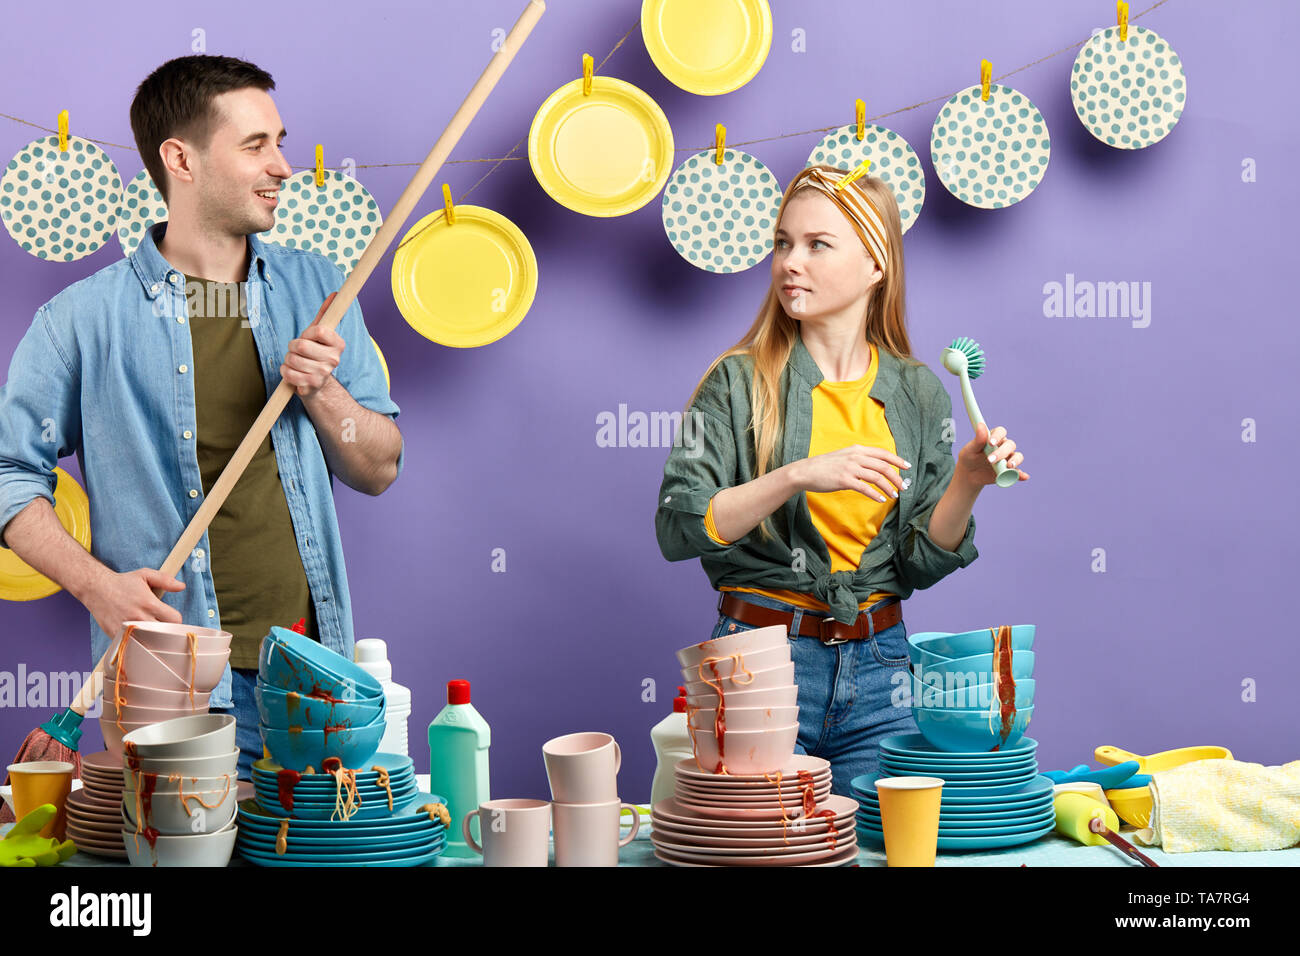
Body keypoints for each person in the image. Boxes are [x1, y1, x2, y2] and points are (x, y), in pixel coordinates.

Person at [0, 55, 403, 780]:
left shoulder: (320, 289)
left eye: (280, 141)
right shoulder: (80, 322)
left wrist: (326, 396)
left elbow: (379, 466)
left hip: (311, 675)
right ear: (180, 159)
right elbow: (7, 474)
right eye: (255, 146)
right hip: (166, 682)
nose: (282, 166)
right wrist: (98, 586)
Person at [655, 164, 1029, 796]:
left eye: (816, 244)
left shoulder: (917, 394)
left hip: (884, 672)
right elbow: (681, 524)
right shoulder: (736, 383)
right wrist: (798, 475)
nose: (788, 263)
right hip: (756, 662)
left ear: (874, 265)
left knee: (881, 854)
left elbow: (915, 562)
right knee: (763, 855)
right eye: (782, 243)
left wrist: (966, 481)